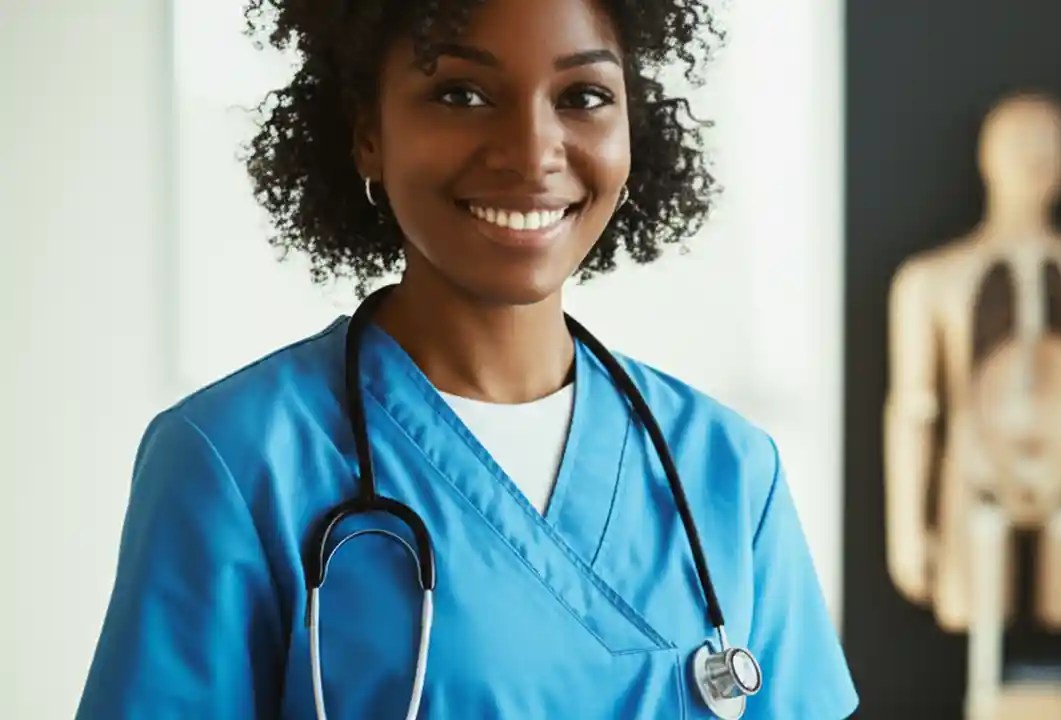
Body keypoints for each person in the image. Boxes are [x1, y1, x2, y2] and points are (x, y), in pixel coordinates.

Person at [76, 0, 859, 717]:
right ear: (367, 133)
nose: (531, 152)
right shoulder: (238, 463)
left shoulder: (727, 472)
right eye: (461, 94)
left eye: (583, 97)